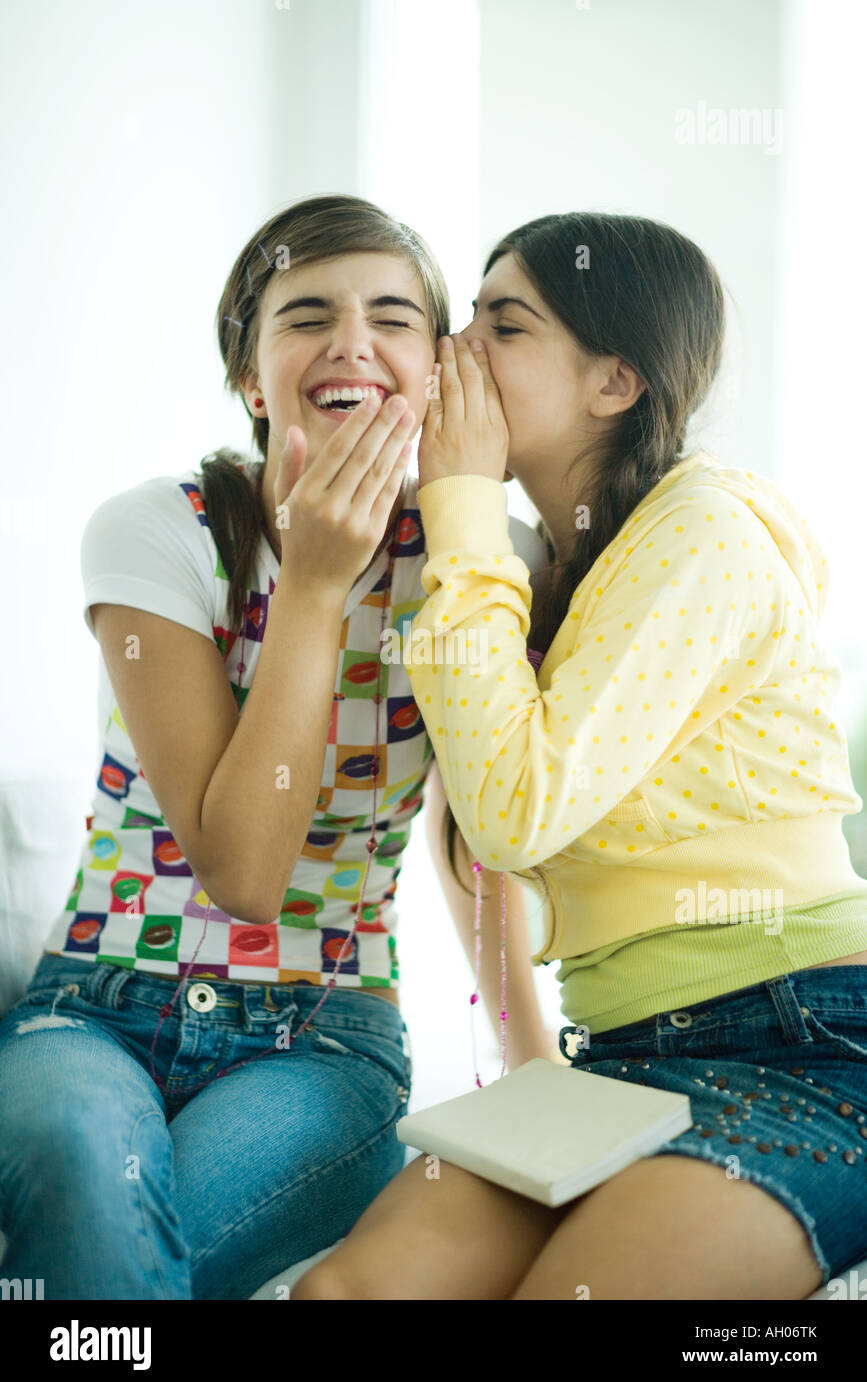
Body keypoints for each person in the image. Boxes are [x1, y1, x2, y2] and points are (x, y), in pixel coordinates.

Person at [292, 211, 867, 1302]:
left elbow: (517, 810)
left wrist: (457, 498)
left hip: (806, 1040)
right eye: (464, 319)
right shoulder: (549, 568)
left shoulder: (702, 532)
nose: (456, 354)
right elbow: (472, 832)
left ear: (615, 383)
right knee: (344, 1293)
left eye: (502, 326)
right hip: (622, 1052)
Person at [0, 195, 551, 1301]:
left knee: (136, 1238)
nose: (352, 340)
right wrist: (309, 585)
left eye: (393, 317)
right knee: (85, 1166)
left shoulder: (485, 557)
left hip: (323, 1037)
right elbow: (242, 868)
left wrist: (532, 1064)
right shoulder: (159, 530)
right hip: (92, 1008)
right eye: (307, 316)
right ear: (253, 379)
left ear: (435, 372)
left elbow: (472, 820)